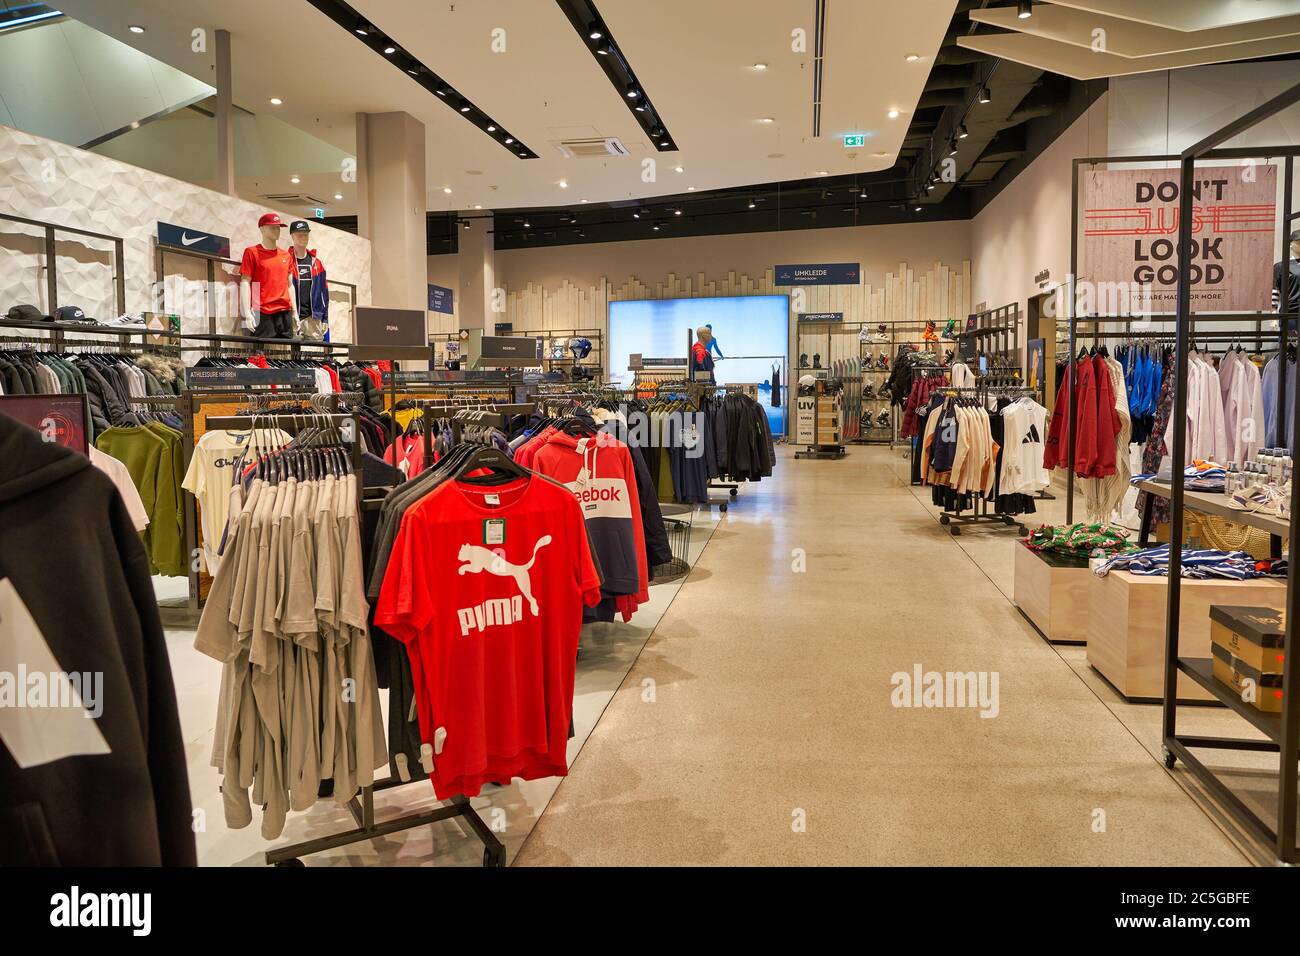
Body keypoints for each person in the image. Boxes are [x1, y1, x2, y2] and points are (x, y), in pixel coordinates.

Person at [239, 213, 295, 339]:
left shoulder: (286, 255)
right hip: (262, 310)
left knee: (286, 355)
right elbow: (245, 282)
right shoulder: (252, 252)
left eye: (278, 227)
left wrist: (295, 312)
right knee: (261, 353)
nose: (277, 230)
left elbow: (290, 285)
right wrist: (247, 312)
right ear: (262, 229)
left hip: (285, 310)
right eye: (272, 227)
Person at [288, 220, 329, 341]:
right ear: (292, 236)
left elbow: (324, 292)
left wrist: (325, 318)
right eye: (299, 234)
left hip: (313, 317)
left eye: (305, 234)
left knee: (315, 355)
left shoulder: (317, 263)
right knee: (289, 354)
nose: (303, 237)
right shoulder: (286, 260)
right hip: (292, 315)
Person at [1274, 229, 1300, 327]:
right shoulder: (1281, 266)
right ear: (1291, 244)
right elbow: (1275, 291)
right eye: (1298, 242)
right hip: (1289, 312)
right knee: (1288, 341)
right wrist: (1273, 315)